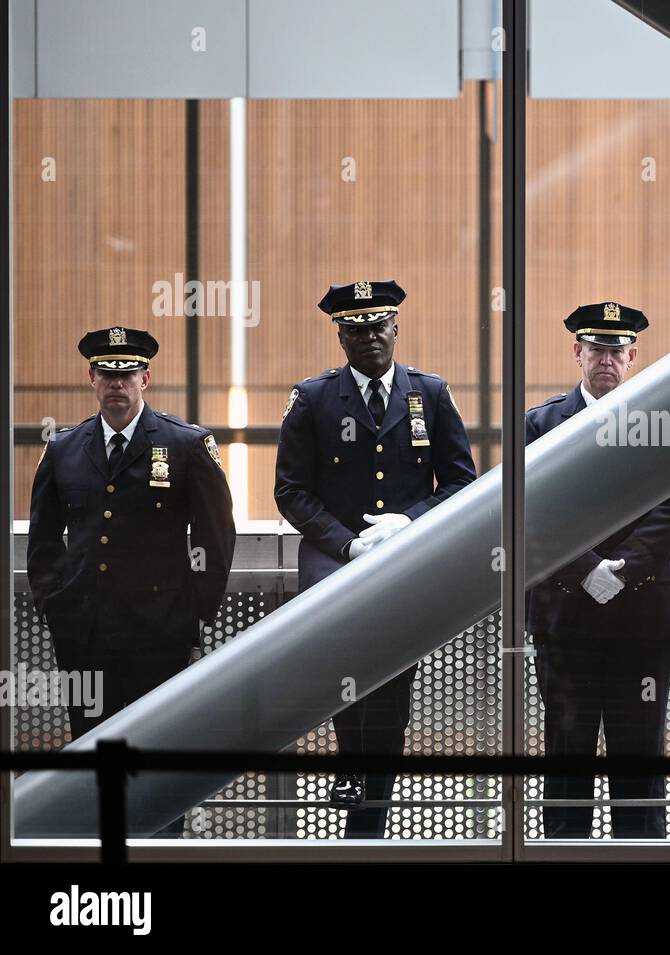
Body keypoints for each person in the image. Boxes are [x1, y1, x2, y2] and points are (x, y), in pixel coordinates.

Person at [275, 280, 477, 838]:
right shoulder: (314, 398)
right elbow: (291, 490)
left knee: (390, 681)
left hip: (403, 558)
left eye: (378, 327)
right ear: (340, 337)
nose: (369, 339)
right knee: (341, 675)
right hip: (334, 560)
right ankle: (351, 790)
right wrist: (347, 543)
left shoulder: (429, 393)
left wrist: (409, 521)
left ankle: (375, 811)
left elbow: (462, 482)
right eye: (356, 330)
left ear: (396, 329)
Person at [28, 326, 236, 835]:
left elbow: (216, 533)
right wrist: (55, 602)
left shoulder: (185, 445)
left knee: (160, 747)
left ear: (146, 377)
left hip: (159, 629)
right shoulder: (65, 448)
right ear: (91, 379)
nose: (116, 384)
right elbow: (43, 538)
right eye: (106, 374)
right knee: (91, 744)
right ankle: (99, 841)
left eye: (126, 374)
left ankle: (164, 843)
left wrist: (197, 611)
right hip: (85, 630)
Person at [525, 302, 670, 838]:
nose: (606, 359)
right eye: (596, 348)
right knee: (567, 750)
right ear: (577, 352)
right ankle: (563, 852)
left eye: (617, 350)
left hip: (640, 615)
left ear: (633, 357)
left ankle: (639, 852)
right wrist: (585, 570)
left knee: (639, 751)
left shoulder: (662, 420)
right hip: (565, 616)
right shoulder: (542, 423)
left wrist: (619, 571)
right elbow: (527, 512)